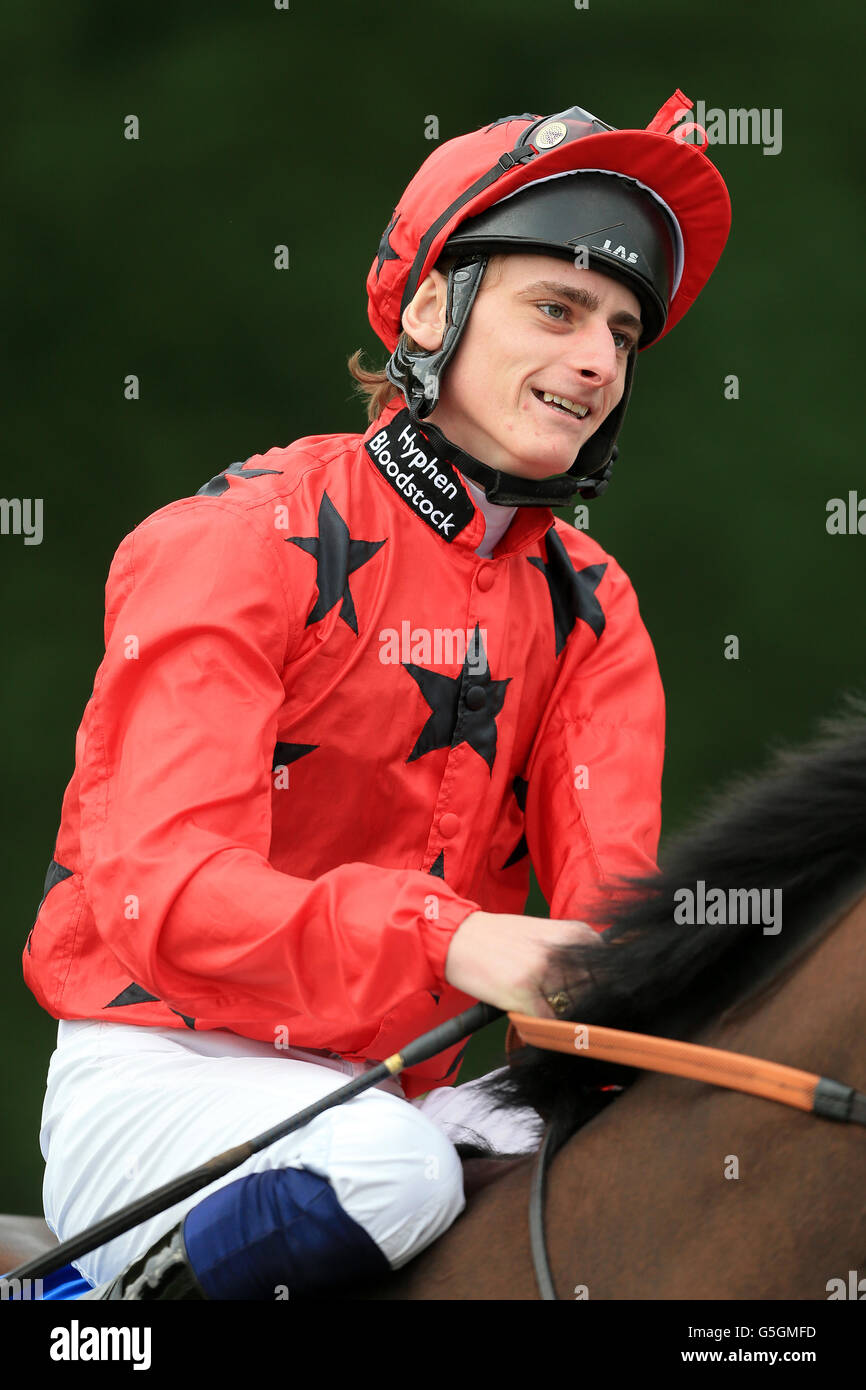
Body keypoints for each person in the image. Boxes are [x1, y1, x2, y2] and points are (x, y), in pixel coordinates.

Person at [23, 91, 731, 1299]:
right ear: (426, 309)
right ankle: (74, 1311)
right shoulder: (236, 540)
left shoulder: (593, 605)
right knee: (390, 1173)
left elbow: (609, 928)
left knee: (688, 1176)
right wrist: (454, 937)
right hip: (160, 1070)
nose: (596, 359)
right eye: (555, 309)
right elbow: (163, 892)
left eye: (621, 330)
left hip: (413, 1095)